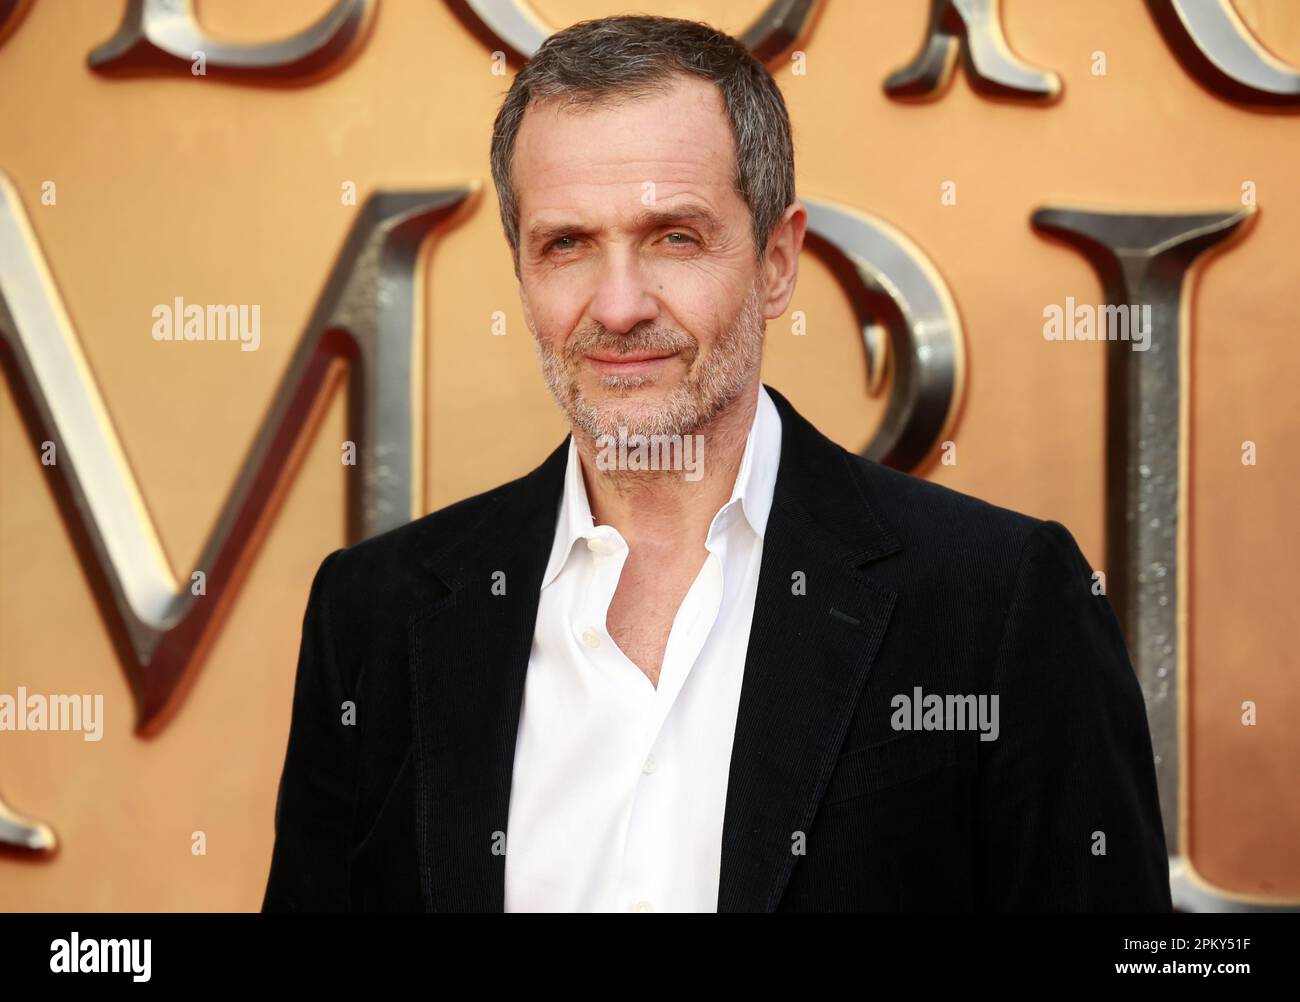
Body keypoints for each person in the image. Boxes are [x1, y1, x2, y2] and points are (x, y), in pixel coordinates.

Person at [262, 14, 1171, 912]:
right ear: (522, 272)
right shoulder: (373, 618)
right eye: (567, 244)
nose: (618, 307)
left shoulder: (999, 601)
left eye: (674, 237)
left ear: (777, 261)